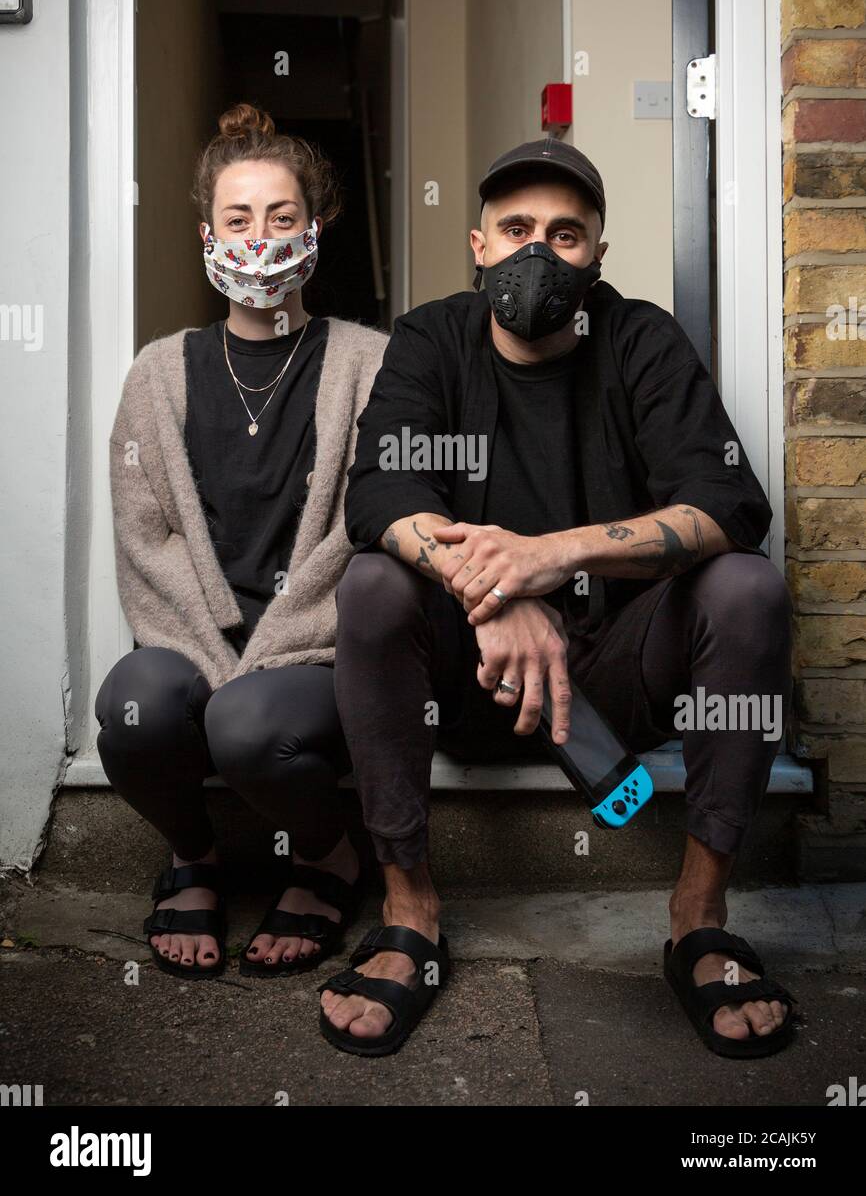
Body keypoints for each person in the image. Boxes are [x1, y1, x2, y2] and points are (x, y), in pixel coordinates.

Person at [319, 137, 798, 1059]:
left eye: (567, 235)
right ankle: (411, 912)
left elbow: (732, 504)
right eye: (518, 229)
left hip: (617, 679)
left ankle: (698, 917)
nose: (540, 252)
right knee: (375, 581)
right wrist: (500, 596)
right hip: (468, 676)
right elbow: (378, 495)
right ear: (479, 244)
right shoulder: (431, 337)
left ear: (598, 257)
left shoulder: (641, 337)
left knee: (746, 587)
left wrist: (549, 557)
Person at [95, 103, 386, 979]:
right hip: (195, 639)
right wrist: (219, 664)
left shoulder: (369, 362)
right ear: (206, 235)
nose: (260, 240)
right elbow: (144, 539)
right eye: (239, 219)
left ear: (317, 229)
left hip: (312, 649)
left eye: (282, 217)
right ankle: (195, 856)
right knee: (133, 708)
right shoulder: (158, 371)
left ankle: (328, 858)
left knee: (252, 726)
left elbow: (369, 527)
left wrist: (263, 662)